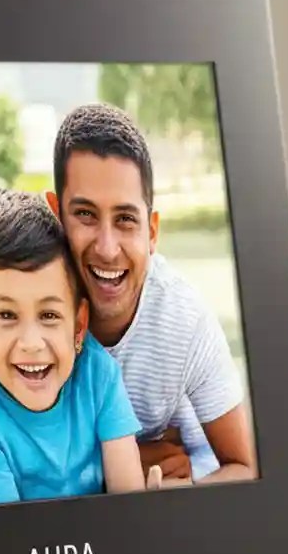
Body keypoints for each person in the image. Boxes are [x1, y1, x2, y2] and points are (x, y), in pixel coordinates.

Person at [46, 103, 256, 485]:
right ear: (55, 213)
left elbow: (244, 466)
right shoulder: (29, 302)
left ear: (152, 231)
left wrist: (179, 494)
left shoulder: (184, 319)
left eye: (125, 219)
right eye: (85, 215)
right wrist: (118, 466)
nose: (107, 248)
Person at [0, 189, 162, 505]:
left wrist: (146, 511)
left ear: (78, 325)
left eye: (49, 315)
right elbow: (6, 539)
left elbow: (126, 506)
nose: (32, 344)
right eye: (6, 315)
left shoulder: (98, 375)